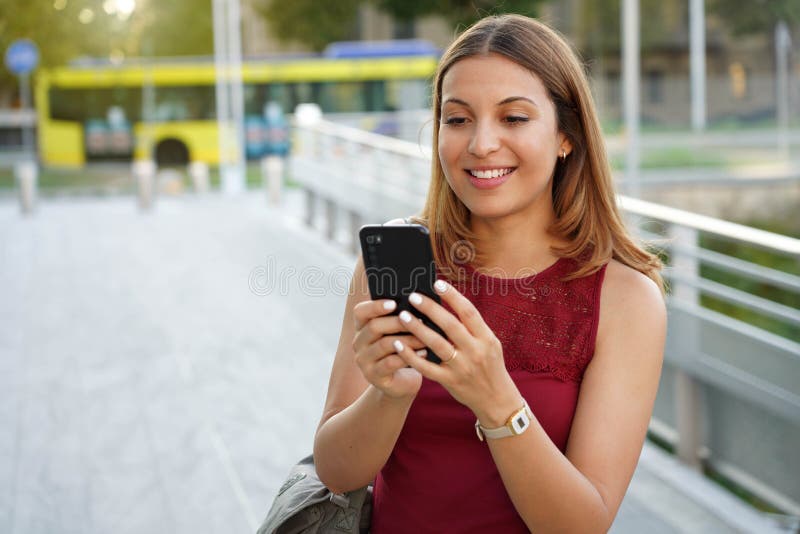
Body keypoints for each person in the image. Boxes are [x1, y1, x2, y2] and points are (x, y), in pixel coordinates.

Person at [313, 13, 666, 533]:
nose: (480, 144)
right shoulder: (393, 265)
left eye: (514, 118)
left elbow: (583, 525)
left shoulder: (625, 299)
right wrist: (390, 393)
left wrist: (494, 398)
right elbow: (337, 472)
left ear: (566, 135)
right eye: (457, 119)